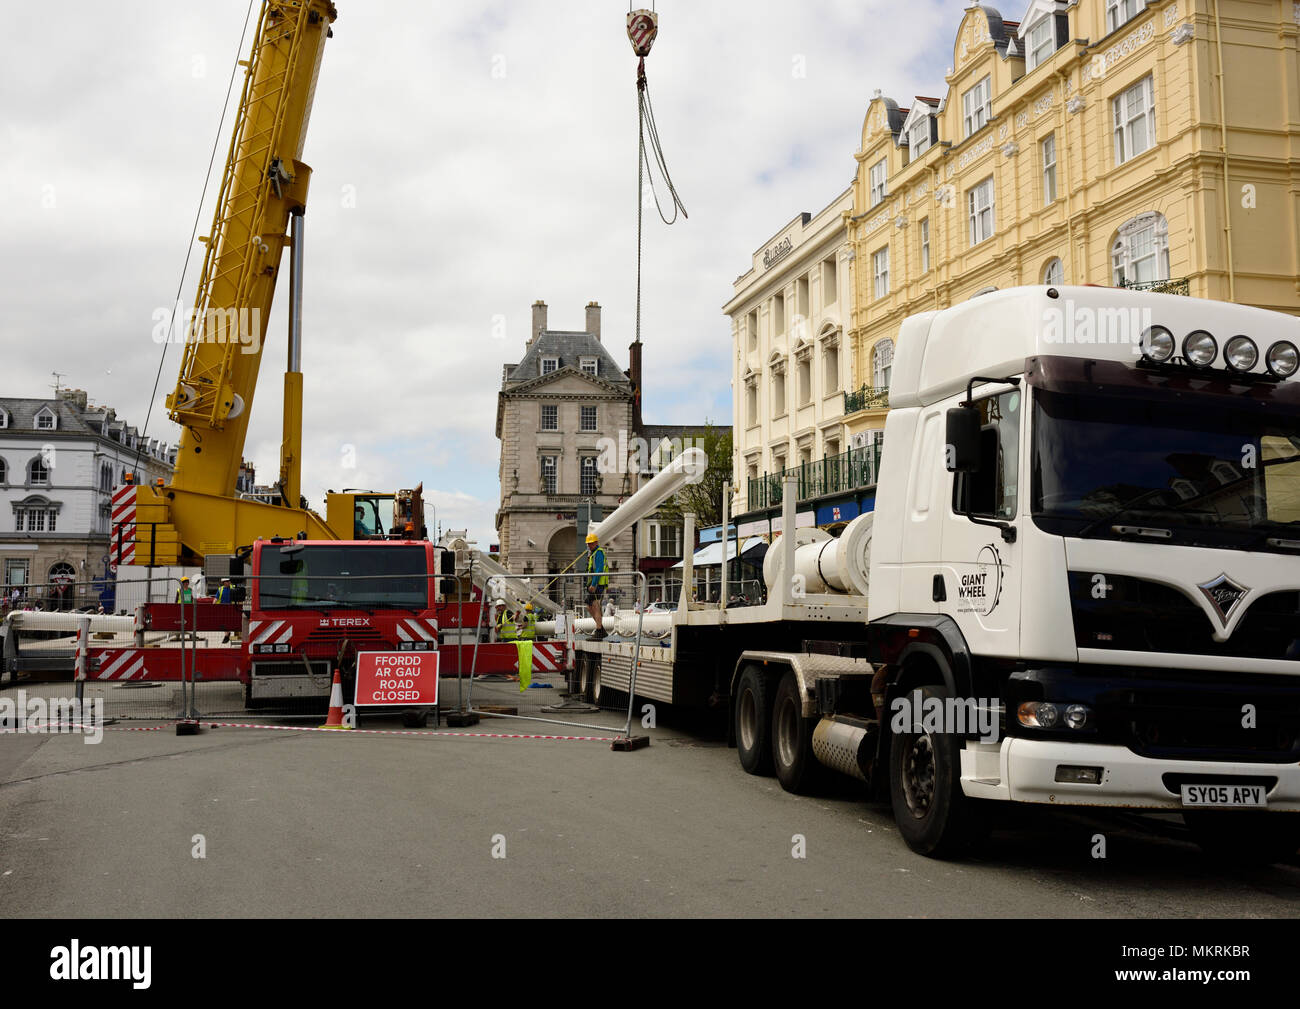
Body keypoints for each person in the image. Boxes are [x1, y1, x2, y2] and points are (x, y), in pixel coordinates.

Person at [585, 533, 607, 638]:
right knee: (589, 606)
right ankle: (601, 629)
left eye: (591, 543)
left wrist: (593, 584)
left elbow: (599, 569)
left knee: (595, 605)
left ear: (596, 542)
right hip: (594, 584)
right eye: (588, 544)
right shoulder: (593, 553)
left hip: (597, 584)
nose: (589, 545)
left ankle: (599, 630)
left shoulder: (598, 553)